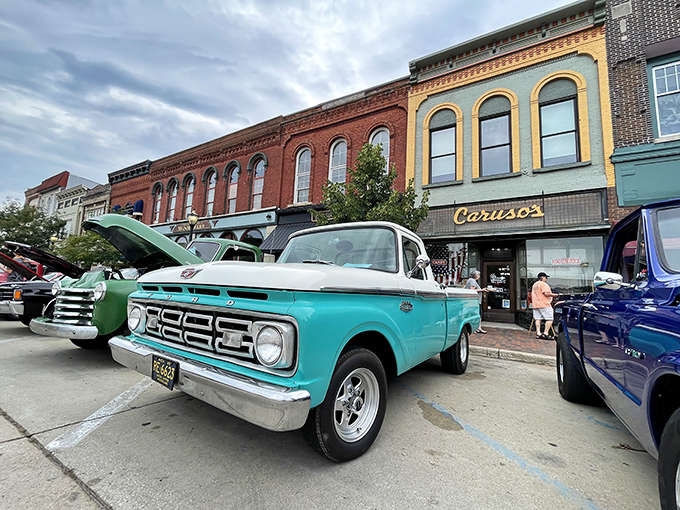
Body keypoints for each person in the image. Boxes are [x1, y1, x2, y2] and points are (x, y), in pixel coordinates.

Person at [531, 272, 559, 340]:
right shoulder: (543, 284)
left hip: (535, 304)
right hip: (544, 304)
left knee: (538, 319)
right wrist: (556, 295)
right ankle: (545, 333)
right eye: (546, 277)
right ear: (542, 277)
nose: (546, 279)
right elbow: (546, 293)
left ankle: (538, 333)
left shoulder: (535, 284)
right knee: (549, 319)